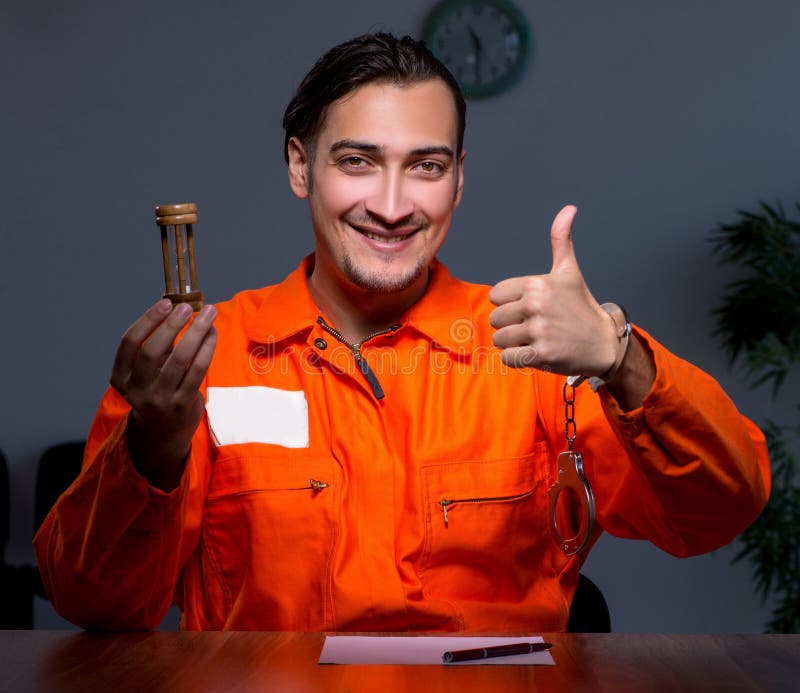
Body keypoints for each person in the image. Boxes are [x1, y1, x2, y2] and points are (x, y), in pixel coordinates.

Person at [34, 33, 770, 632]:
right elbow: (96, 603)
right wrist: (154, 444)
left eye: (425, 166)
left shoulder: (539, 348)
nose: (391, 204)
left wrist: (621, 358)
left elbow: (718, 510)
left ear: (457, 180)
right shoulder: (208, 359)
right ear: (301, 165)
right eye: (358, 161)